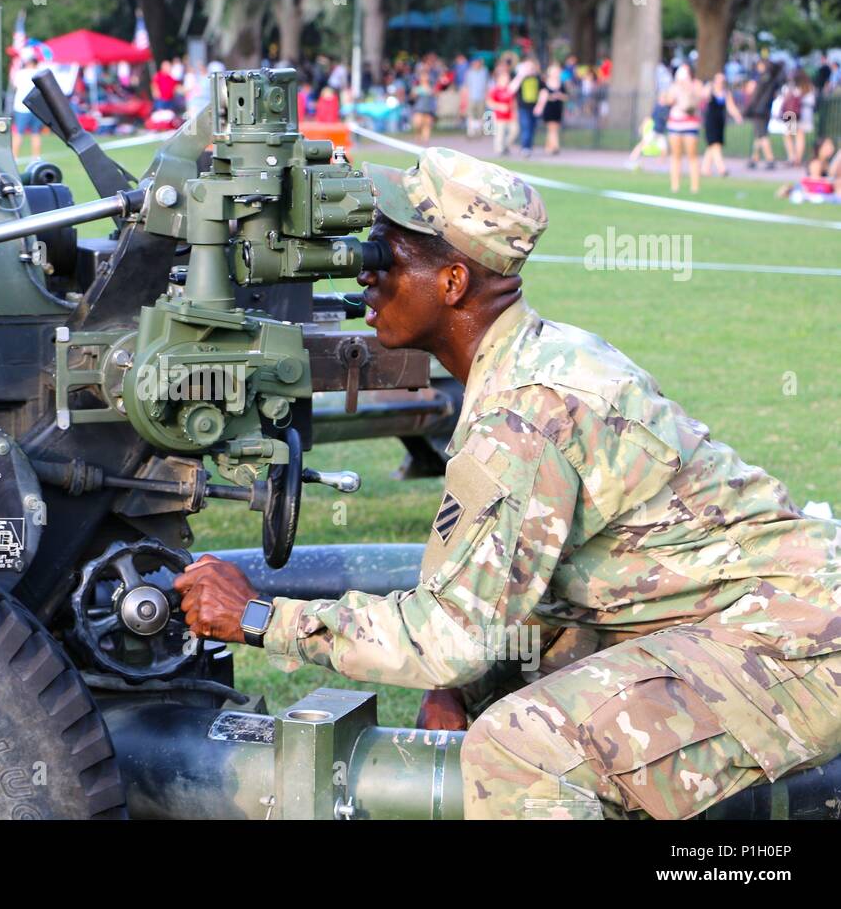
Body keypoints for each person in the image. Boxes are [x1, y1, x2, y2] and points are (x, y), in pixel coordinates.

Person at [174, 146, 841, 820]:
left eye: (386, 257)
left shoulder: (523, 416)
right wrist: (462, 684)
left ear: (454, 282)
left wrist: (261, 619)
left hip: (794, 641)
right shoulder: (538, 357)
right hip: (739, 616)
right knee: (518, 678)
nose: (367, 280)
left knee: (520, 750)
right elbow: (509, 601)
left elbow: (450, 636)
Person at [662, 62, 702, 193]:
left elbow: (699, 99)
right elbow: (668, 100)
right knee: (675, 155)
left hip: (690, 123)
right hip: (675, 123)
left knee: (692, 155)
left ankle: (695, 186)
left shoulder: (695, 85)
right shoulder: (675, 86)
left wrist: (689, 87)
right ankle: (675, 185)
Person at [700, 71, 742, 177]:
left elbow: (730, 106)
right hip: (710, 121)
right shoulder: (710, 91)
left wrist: (737, 116)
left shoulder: (725, 93)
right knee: (715, 145)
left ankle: (705, 169)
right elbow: (702, 96)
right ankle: (722, 168)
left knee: (713, 146)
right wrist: (709, 86)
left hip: (720, 122)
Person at [10, 53, 48, 159]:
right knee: (36, 133)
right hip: (36, 107)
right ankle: (36, 157)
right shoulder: (40, 73)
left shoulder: (21, 73)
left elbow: (14, 85)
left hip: (21, 107)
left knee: (18, 133)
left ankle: (15, 157)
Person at [533, 63, 567, 155]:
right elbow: (541, 96)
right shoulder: (544, 83)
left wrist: (559, 96)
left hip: (558, 109)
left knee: (554, 128)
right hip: (548, 108)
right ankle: (556, 147)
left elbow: (566, 96)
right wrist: (550, 97)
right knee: (552, 128)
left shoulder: (561, 84)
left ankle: (548, 147)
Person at [513, 58, 541, 157]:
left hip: (534, 107)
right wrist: (521, 76)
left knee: (532, 127)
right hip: (523, 107)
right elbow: (512, 89)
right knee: (526, 126)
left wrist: (539, 105)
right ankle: (525, 147)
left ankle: (528, 146)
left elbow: (543, 91)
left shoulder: (537, 78)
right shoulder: (520, 78)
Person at [485, 68, 515, 156]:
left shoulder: (509, 90)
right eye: (505, 78)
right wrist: (499, 106)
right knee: (500, 133)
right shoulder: (495, 90)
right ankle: (499, 150)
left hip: (509, 115)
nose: (506, 80)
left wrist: (514, 112)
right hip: (499, 116)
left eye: (507, 78)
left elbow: (512, 102)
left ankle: (506, 145)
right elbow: (489, 102)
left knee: (514, 130)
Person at [460, 57, 490, 139]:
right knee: (470, 114)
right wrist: (464, 98)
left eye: (478, 63)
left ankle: (479, 131)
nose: (476, 64)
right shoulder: (469, 72)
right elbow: (466, 86)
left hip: (481, 97)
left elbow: (487, 85)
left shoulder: (484, 72)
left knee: (480, 114)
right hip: (471, 97)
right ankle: (470, 131)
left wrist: (487, 95)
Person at [410, 68, 437, 141]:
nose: (424, 78)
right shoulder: (417, 88)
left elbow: (435, 95)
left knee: (427, 125)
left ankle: (425, 142)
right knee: (417, 124)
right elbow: (412, 97)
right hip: (419, 108)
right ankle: (418, 135)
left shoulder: (431, 88)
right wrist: (415, 93)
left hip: (428, 109)